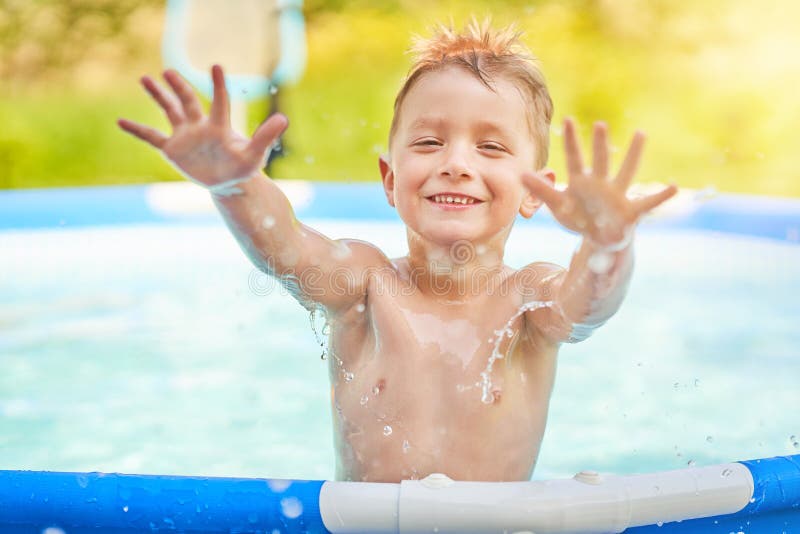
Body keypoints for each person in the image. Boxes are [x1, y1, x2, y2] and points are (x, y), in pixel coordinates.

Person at [118, 19, 676, 483]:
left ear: (535, 189)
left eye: (490, 146)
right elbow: (287, 251)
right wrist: (234, 187)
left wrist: (608, 242)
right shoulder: (363, 286)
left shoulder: (529, 300)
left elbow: (589, 306)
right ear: (390, 179)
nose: (456, 162)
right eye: (429, 141)